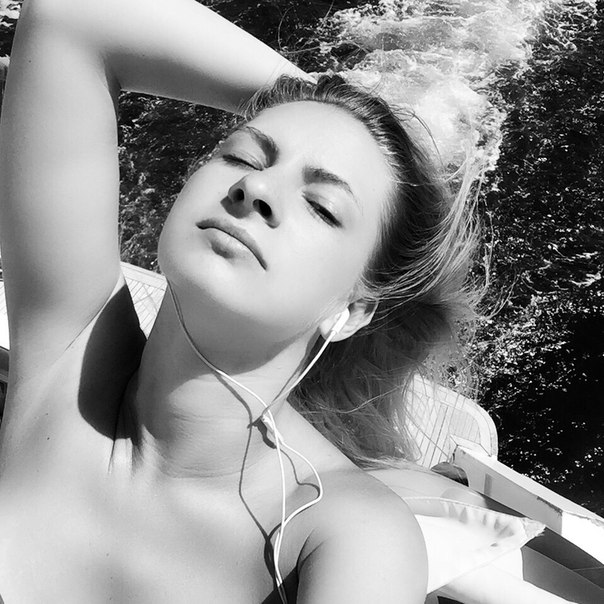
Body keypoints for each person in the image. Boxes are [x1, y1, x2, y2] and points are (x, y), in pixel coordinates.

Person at [3, 1, 600, 604]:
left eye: (322, 206)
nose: (256, 187)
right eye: (242, 156)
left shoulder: (345, 533)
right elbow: (72, 15)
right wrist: (325, 102)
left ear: (352, 310)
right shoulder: (68, 353)